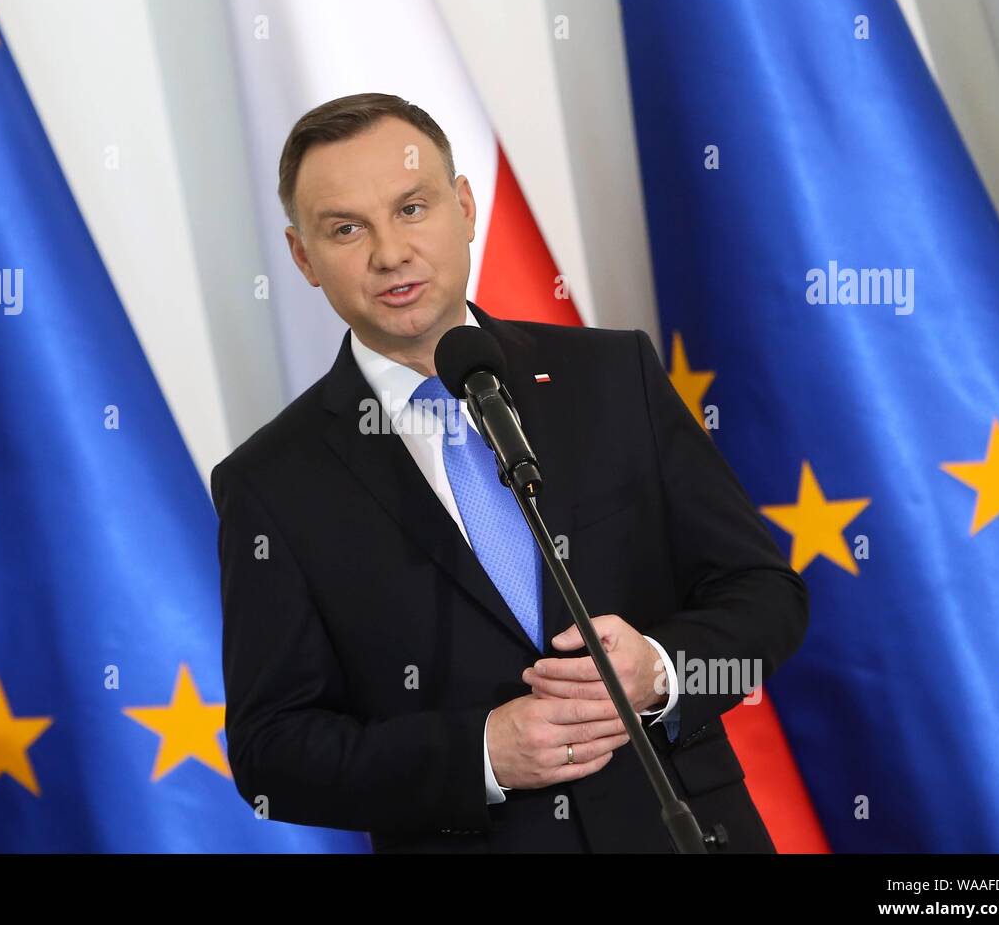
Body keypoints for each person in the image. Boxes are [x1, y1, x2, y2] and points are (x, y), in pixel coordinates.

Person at [211, 93, 809, 852]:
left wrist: (660, 671)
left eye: (413, 208)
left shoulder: (610, 376)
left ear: (464, 207)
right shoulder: (271, 481)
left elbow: (766, 596)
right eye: (346, 229)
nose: (391, 252)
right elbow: (272, 753)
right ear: (303, 258)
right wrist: (481, 755)